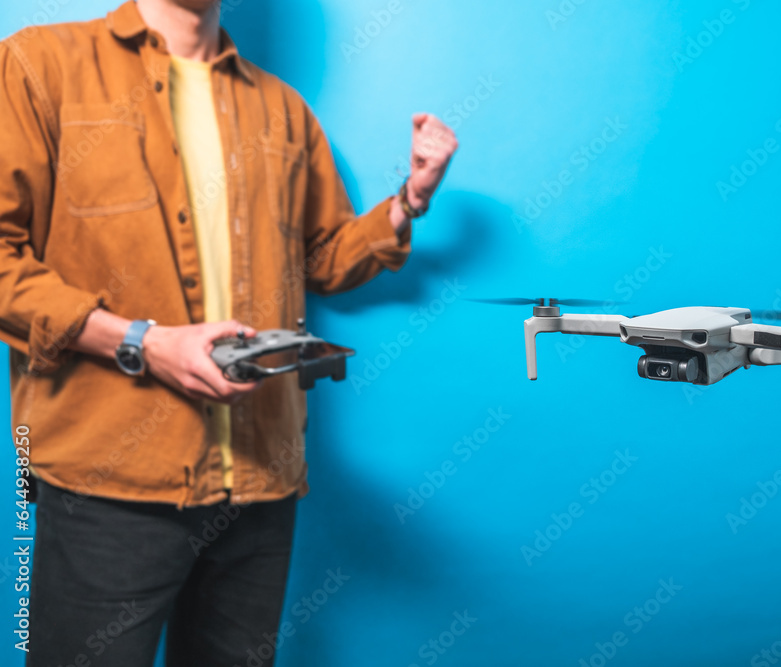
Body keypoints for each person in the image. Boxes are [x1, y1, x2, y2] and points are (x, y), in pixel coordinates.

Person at [0, 0, 457, 664]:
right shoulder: (40, 65)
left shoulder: (284, 109)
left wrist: (409, 199)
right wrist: (145, 342)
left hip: (260, 484)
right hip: (109, 486)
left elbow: (324, 257)